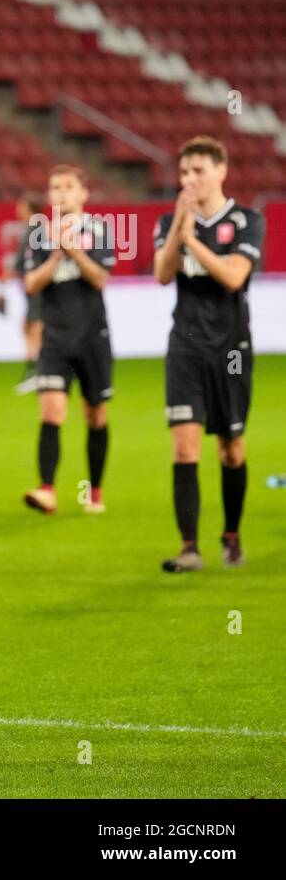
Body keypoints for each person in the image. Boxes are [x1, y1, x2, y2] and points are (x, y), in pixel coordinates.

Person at [153, 136, 262, 572]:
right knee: (184, 447)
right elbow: (162, 274)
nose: (190, 179)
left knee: (231, 448)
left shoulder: (246, 221)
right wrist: (179, 228)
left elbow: (234, 277)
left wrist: (193, 241)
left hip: (231, 350)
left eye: (198, 170)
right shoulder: (171, 220)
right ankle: (189, 548)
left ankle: (231, 535)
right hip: (185, 346)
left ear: (221, 170)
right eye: (183, 172)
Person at [19, 166, 114, 516]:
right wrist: (57, 253)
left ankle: (95, 491)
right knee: (52, 410)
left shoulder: (99, 230)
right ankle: (47, 490)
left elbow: (100, 277)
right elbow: (30, 284)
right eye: (54, 187)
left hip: (92, 337)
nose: (60, 194)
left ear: (83, 194)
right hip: (55, 339)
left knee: (95, 414)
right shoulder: (39, 234)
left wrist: (73, 250)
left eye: (68, 187)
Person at [0, 193, 44, 394]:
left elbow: (32, 260)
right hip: (30, 288)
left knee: (34, 328)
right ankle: (35, 371)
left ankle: (37, 372)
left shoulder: (37, 231)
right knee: (29, 327)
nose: (18, 210)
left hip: (37, 288)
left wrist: (13, 274)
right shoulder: (31, 230)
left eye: (21, 206)